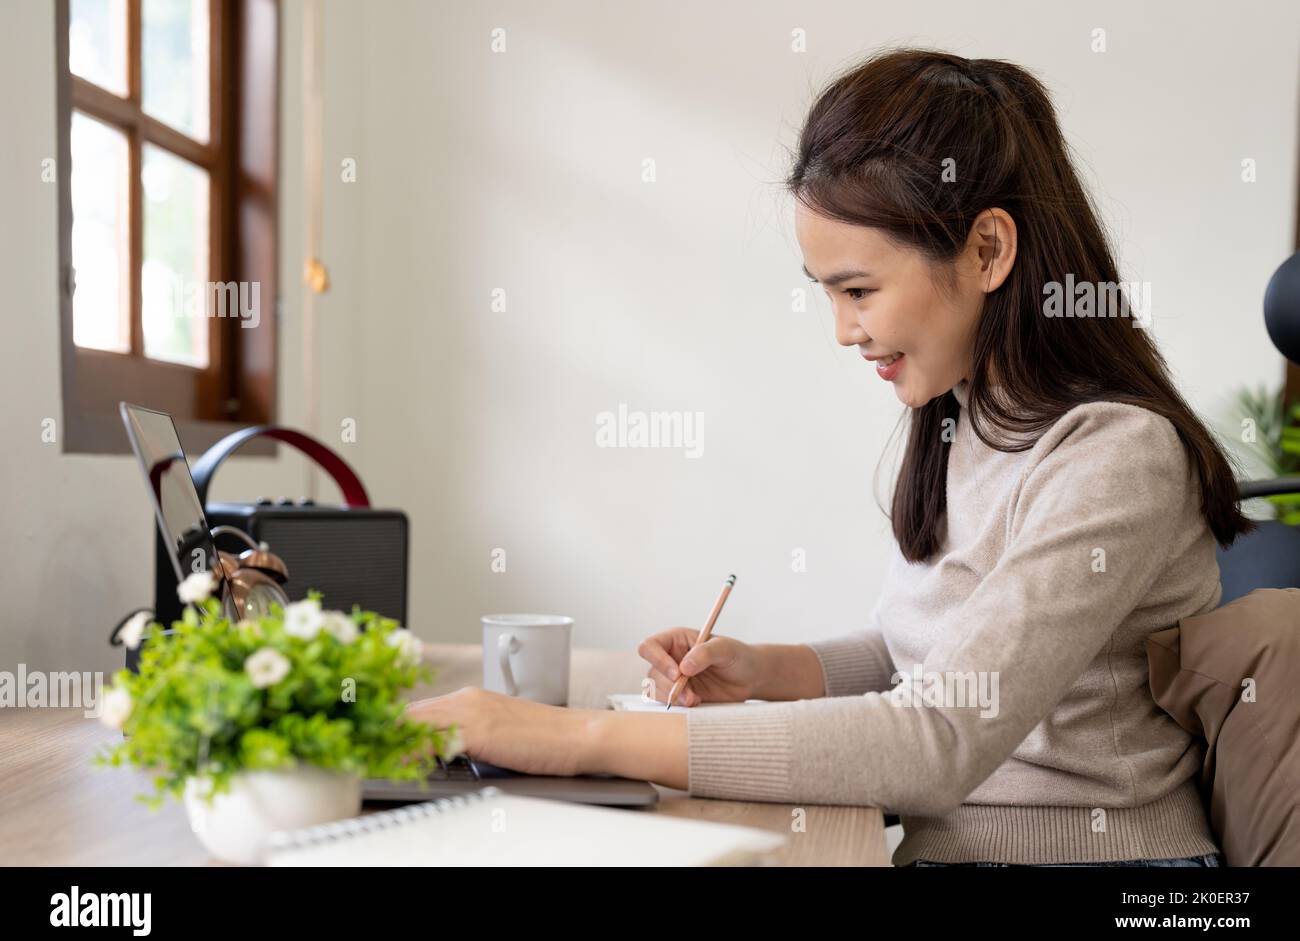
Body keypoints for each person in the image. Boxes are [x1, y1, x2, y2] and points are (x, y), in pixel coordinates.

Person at [406, 48, 1249, 866]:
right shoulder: (965, 417)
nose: (846, 331)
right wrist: (768, 671)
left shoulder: (1117, 458)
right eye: (830, 295)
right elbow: (912, 653)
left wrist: (575, 736)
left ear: (988, 251)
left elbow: (937, 736)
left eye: (859, 290)